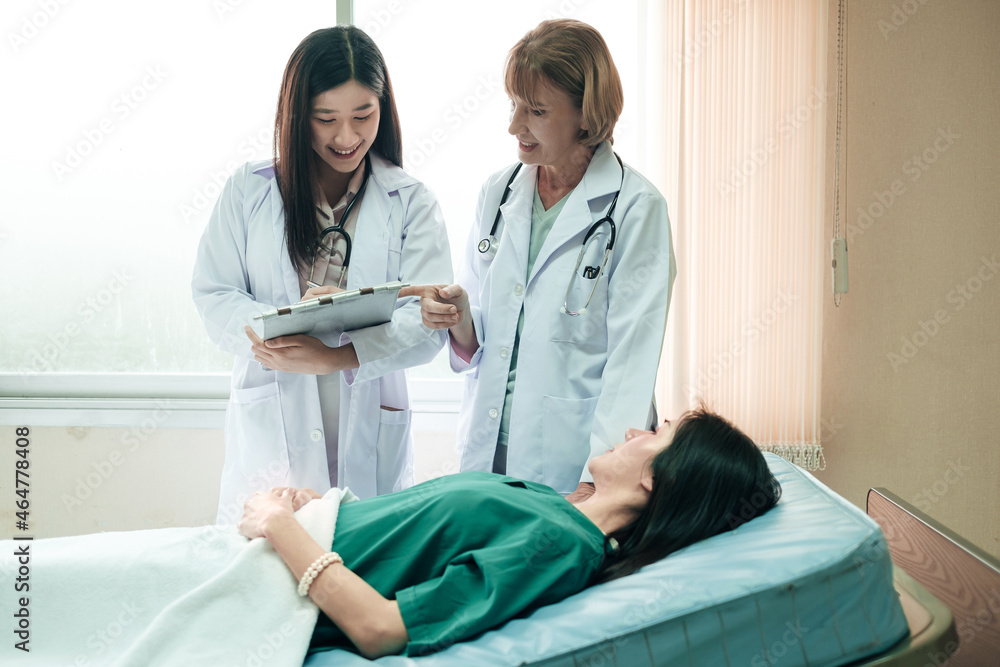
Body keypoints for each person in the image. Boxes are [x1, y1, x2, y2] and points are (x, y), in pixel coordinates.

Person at [242, 406, 781, 658]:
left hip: (257, 588)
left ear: (658, 477)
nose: (633, 431)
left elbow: (379, 627)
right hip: (261, 553)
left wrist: (280, 524)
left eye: (658, 432)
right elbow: (414, 537)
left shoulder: (561, 548)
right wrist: (320, 508)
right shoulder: (554, 505)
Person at [192, 27, 452, 524]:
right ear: (297, 115)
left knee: (362, 572)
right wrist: (288, 327)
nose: (346, 137)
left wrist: (338, 356)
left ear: (385, 108)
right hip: (274, 419)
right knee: (269, 574)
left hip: (370, 428)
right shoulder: (249, 192)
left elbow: (428, 321)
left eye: (363, 116)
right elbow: (214, 293)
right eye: (326, 118)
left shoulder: (410, 201)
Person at [412, 19, 676, 496]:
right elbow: (484, 339)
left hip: (572, 462)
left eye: (535, 110)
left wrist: (599, 479)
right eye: (514, 105)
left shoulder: (636, 210)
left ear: (586, 115)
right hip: (489, 449)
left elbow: (631, 364)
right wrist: (457, 317)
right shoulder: (499, 191)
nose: (514, 126)